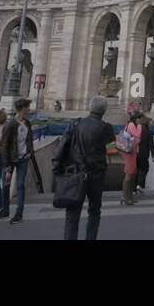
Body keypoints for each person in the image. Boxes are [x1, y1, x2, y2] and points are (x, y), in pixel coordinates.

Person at [54, 97, 116, 240]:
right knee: (94, 211)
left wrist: (57, 167)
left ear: (90, 108)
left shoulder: (76, 124)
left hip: (76, 172)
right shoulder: (106, 128)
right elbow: (112, 150)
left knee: (72, 214)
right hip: (96, 175)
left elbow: (62, 147)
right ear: (104, 111)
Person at [0, 99, 34, 224]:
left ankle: (19, 212)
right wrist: (6, 164)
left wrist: (29, 151)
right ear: (22, 109)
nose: (29, 110)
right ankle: (5, 209)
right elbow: (4, 145)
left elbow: (29, 139)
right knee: (6, 184)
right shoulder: (10, 125)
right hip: (11, 160)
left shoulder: (27, 123)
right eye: (27, 108)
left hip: (23, 158)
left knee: (20, 185)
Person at [121, 110, 143, 205]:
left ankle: (130, 196)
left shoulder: (132, 125)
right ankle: (125, 197)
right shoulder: (131, 125)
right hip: (129, 153)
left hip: (132, 152)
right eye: (139, 118)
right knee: (129, 174)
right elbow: (138, 135)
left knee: (133, 174)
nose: (140, 120)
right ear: (136, 118)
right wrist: (140, 126)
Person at [135, 115, 154, 194]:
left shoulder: (138, 129)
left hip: (136, 153)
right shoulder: (149, 132)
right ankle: (139, 185)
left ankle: (135, 186)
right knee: (144, 169)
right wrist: (153, 155)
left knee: (137, 169)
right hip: (144, 154)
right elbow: (151, 145)